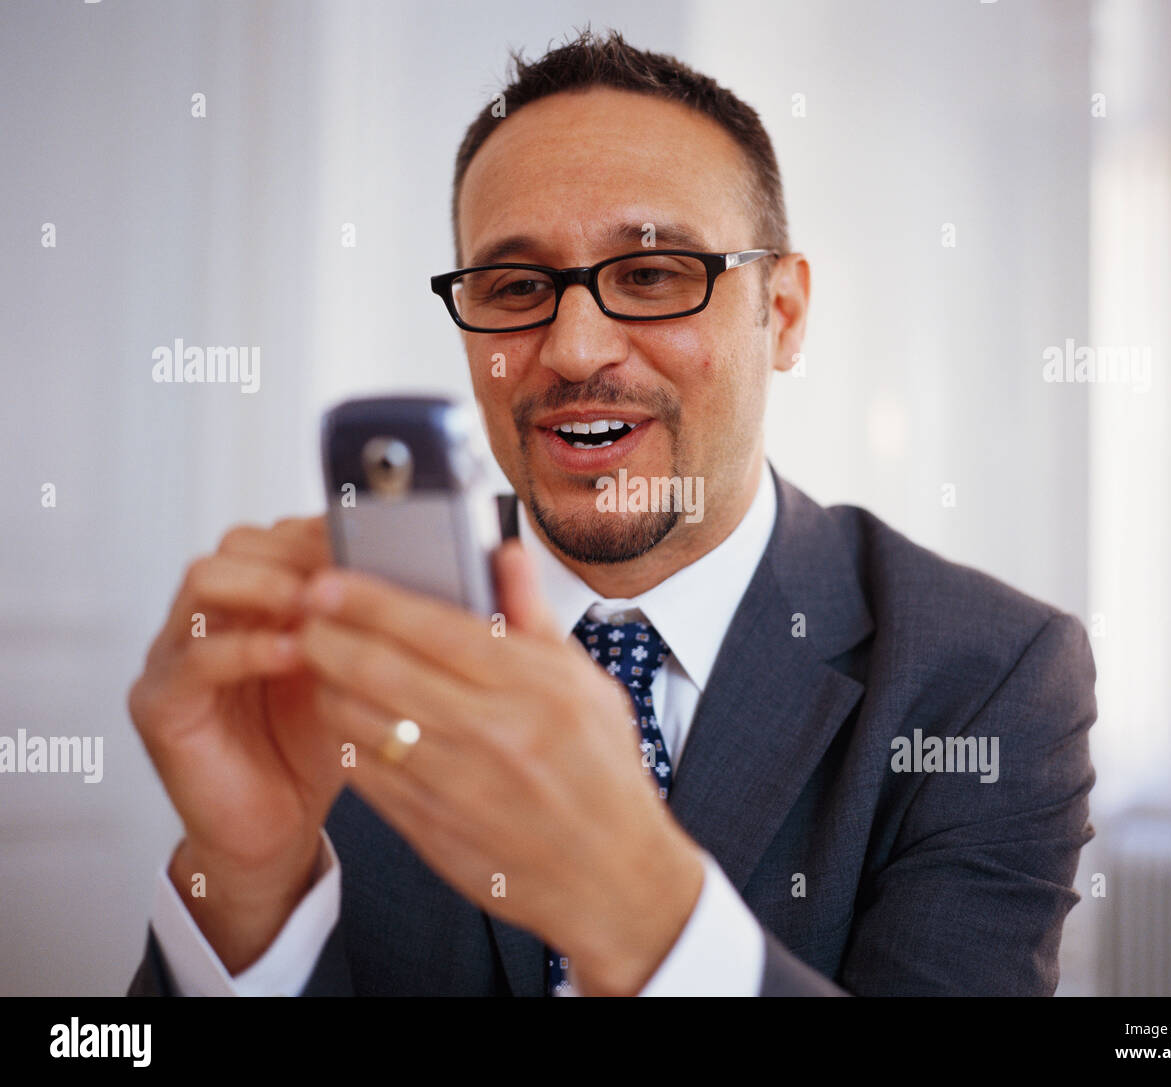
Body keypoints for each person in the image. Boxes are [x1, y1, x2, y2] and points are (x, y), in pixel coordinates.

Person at [126, 28, 1096, 997]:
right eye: (515, 286)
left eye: (652, 274)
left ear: (783, 313)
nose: (575, 348)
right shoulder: (350, 648)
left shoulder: (988, 675)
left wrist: (637, 908)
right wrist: (250, 881)